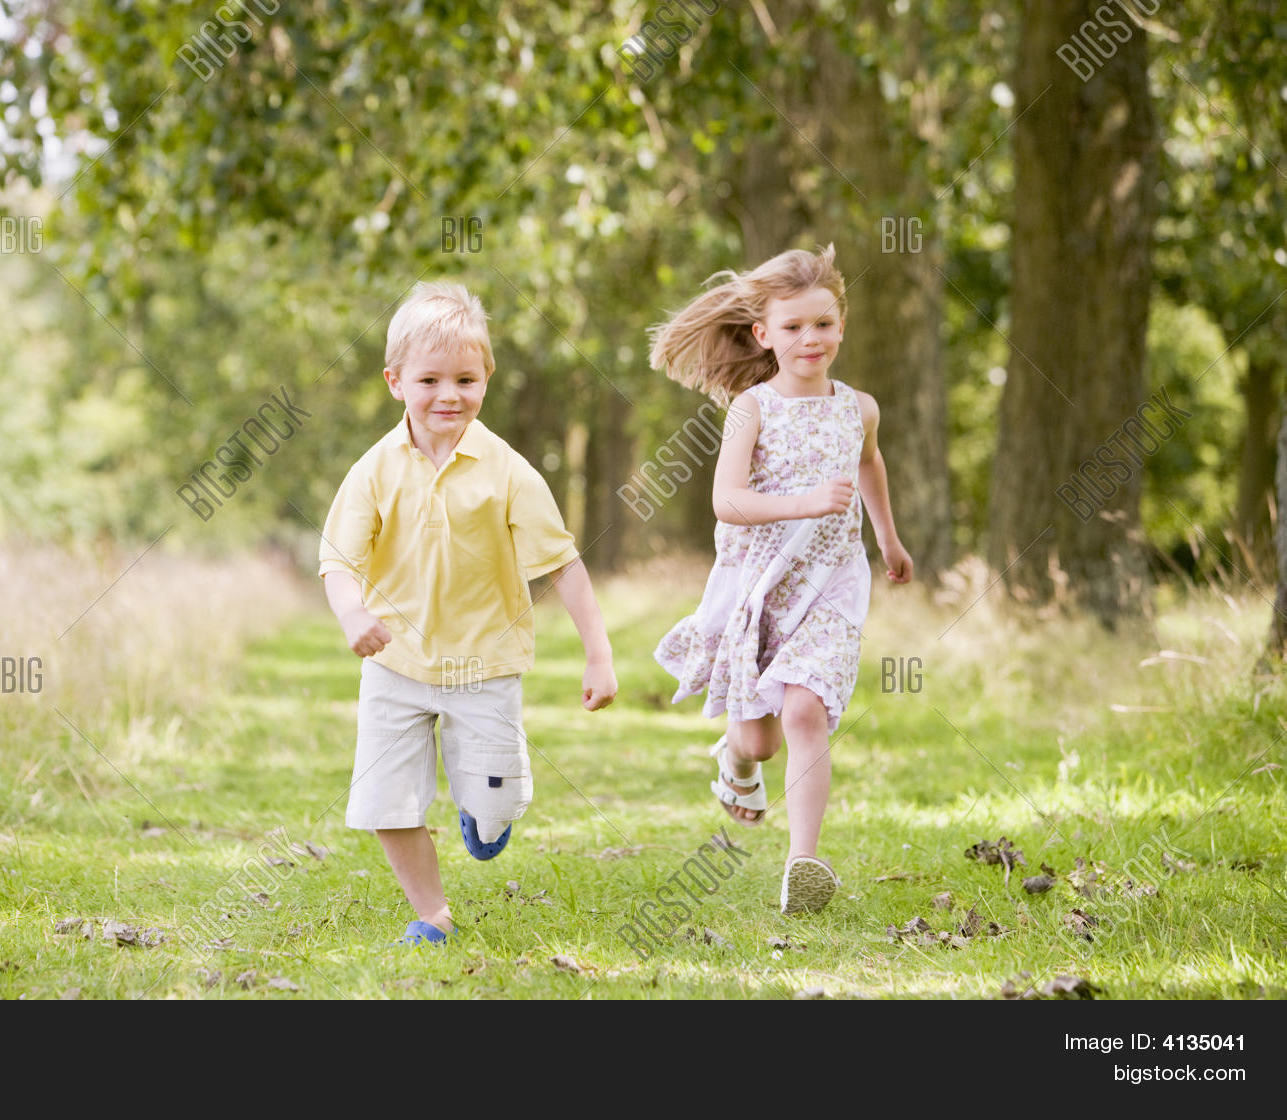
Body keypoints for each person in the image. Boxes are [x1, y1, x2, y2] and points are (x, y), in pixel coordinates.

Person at [318, 280, 619, 946]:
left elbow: (561, 562)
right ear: (396, 381)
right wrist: (352, 617)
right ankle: (432, 916)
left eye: (465, 378)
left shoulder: (508, 471)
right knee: (384, 800)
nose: (448, 395)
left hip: (484, 666)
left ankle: (487, 818)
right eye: (429, 379)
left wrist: (598, 652)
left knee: (495, 802)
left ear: (487, 378)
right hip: (396, 663)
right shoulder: (372, 471)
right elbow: (338, 561)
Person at [651, 245, 912, 915]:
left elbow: (869, 467)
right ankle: (736, 765)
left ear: (842, 326)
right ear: (764, 334)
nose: (810, 339)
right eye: (793, 327)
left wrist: (886, 536)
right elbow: (726, 501)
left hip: (831, 581)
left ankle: (804, 864)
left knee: (805, 709)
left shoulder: (860, 408)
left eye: (823, 324)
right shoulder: (752, 408)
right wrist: (802, 502)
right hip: (757, 585)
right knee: (759, 740)